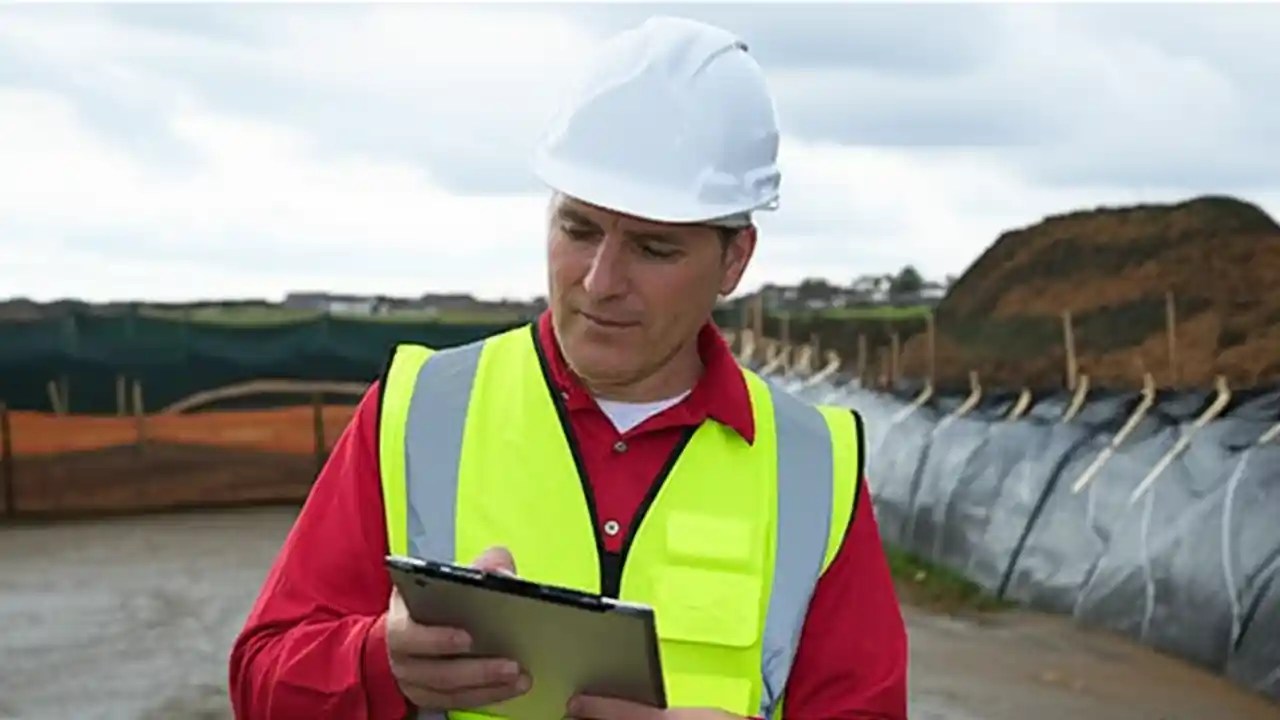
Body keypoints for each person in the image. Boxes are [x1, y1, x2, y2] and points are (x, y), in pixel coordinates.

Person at [229, 15, 908, 720]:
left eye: (653, 249)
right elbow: (261, 681)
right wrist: (378, 661)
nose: (599, 280)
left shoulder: (811, 469)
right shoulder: (419, 412)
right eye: (578, 230)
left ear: (735, 259)